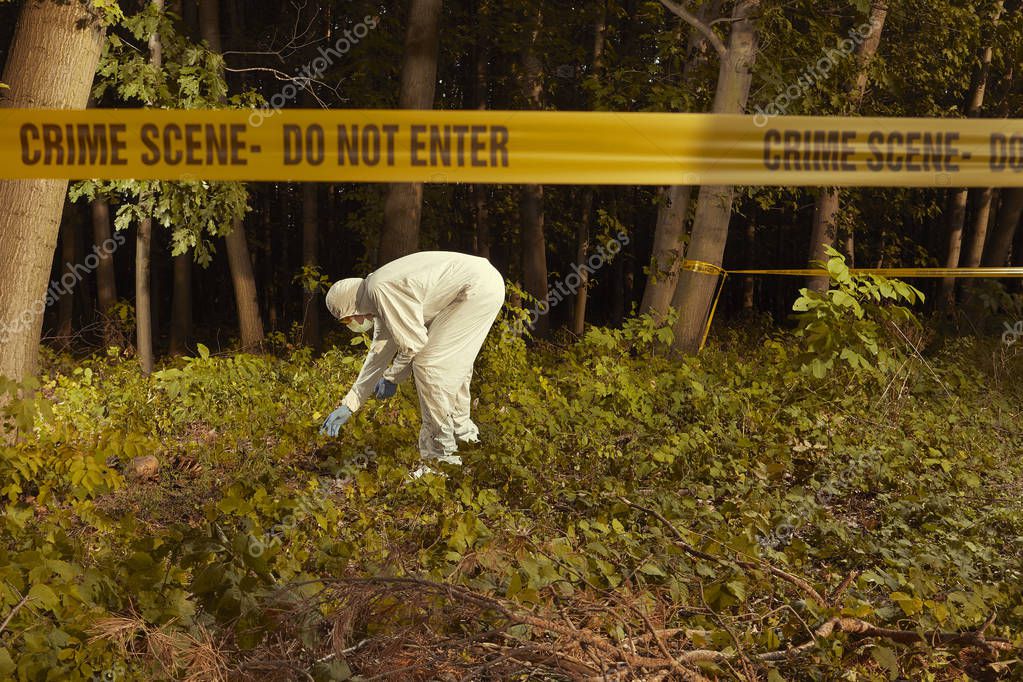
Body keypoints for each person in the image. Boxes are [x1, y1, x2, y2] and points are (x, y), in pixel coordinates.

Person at [320, 251, 505, 476]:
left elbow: (414, 344)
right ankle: (466, 440)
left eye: (347, 320)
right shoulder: (378, 299)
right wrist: (350, 404)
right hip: (481, 283)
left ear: (352, 307)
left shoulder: (380, 289)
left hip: (476, 289)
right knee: (452, 365)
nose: (352, 325)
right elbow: (377, 356)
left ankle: (441, 462)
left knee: (430, 365)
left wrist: (391, 378)